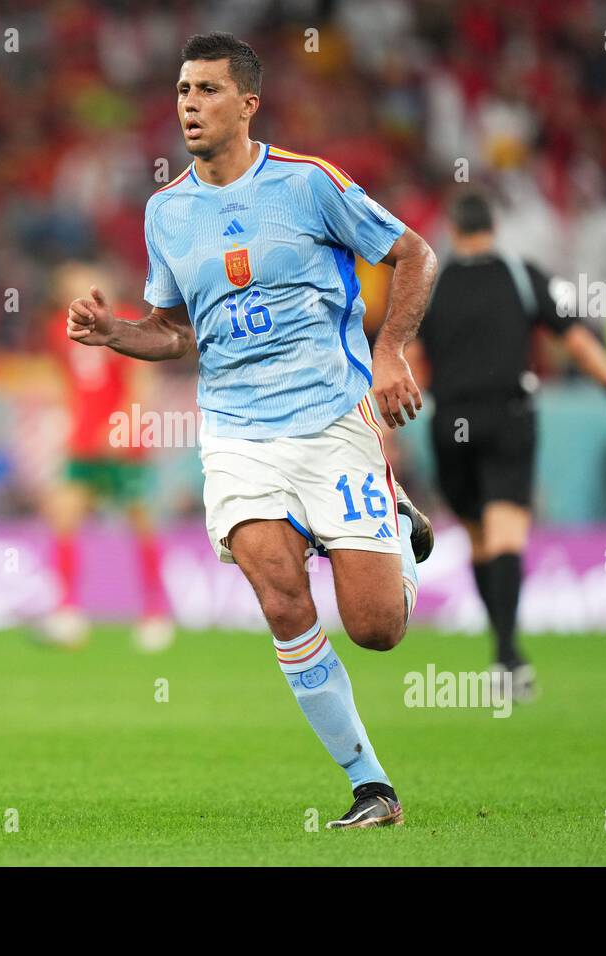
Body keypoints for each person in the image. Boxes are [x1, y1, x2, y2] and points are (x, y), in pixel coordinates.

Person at [66, 33, 437, 829]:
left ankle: (393, 523)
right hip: (237, 434)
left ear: (248, 102)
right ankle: (372, 787)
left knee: (375, 629)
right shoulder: (166, 212)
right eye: (181, 90)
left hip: (333, 420)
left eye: (205, 90)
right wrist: (114, 333)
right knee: (279, 593)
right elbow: (174, 332)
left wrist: (391, 350)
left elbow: (413, 253)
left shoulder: (309, 186)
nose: (188, 105)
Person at [408, 192, 606, 698]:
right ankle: (508, 655)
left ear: (452, 230)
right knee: (507, 538)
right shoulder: (523, 277)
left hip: (450, 424)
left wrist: (382, 421)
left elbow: (409, 357)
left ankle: (505, 650)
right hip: (509, 418)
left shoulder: (433, 286)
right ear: (494, 228)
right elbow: (576, 340)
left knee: (478, 539)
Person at [40, 262, 174, 653]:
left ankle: (154, 613)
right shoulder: (58, 329)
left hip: (123, 445)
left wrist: (123, 427)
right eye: (69, 286)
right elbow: (65, 383)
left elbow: (142, 384)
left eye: (82, 283)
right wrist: (67, 425)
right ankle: (67, 613)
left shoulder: (127, 323)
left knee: (141, 521)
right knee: (63, 515)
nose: (75, 291)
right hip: (82, 445)